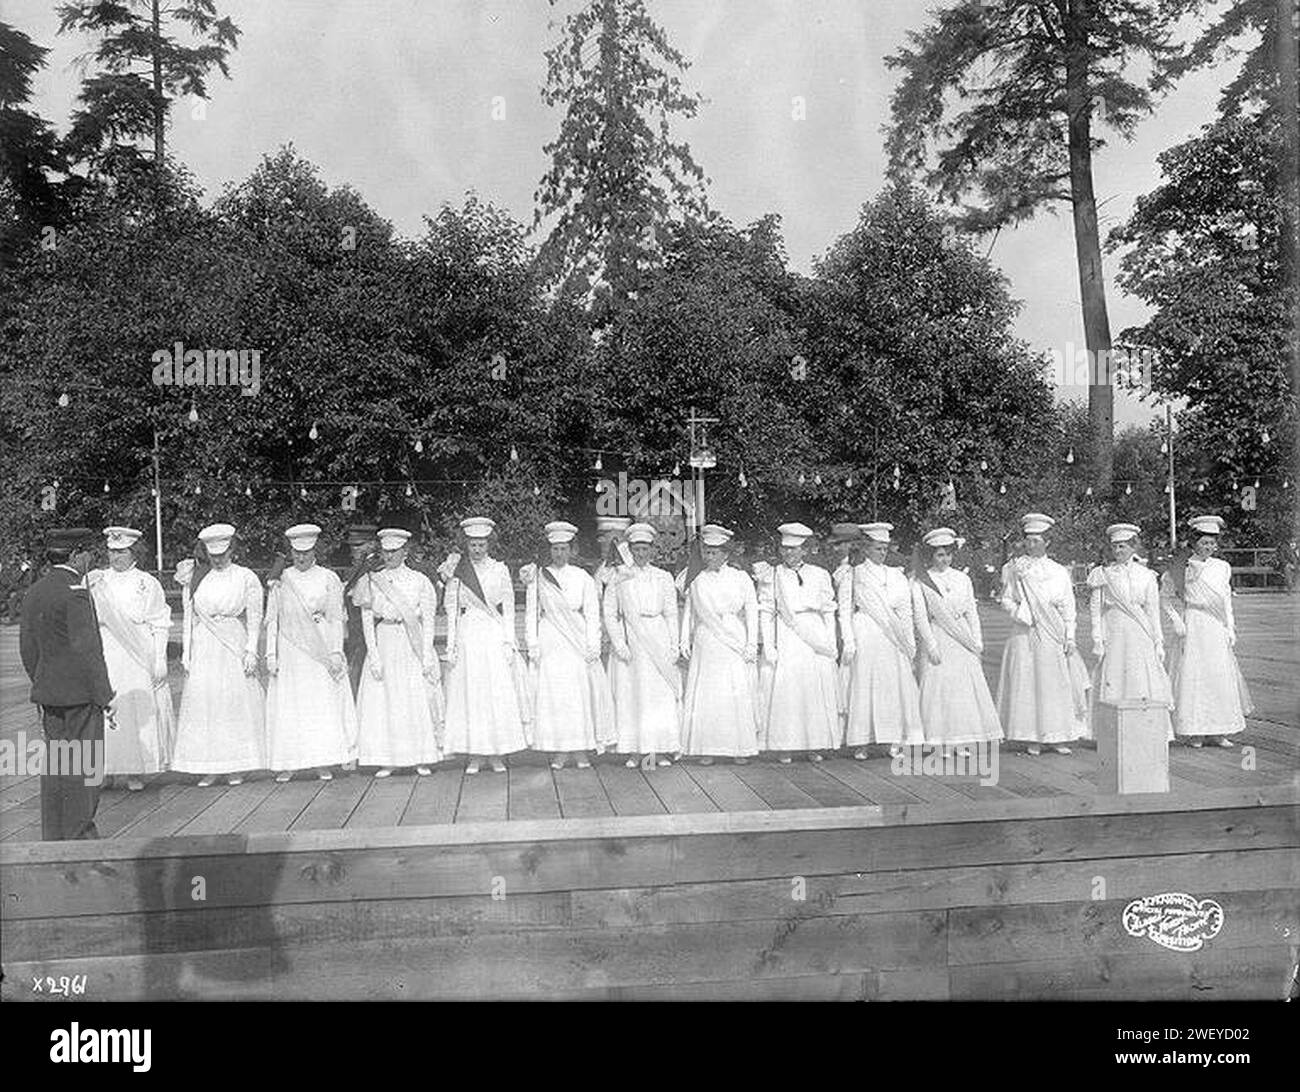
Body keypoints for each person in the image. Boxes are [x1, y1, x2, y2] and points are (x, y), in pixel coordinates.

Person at [19, 528, 115, 839]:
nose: (91, 559)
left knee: (58, 768)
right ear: (76, 554)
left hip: (50, 696)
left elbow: (28, 648)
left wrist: (44, 682)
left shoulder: (35, 591)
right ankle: (80, 836)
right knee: (84, 770)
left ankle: (55, 836)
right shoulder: (76, 593)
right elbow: (87, 650)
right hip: (81, 698)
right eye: (88, 553)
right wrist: (105, 696)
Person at [172, 524, 266, 786]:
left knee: (232, 703)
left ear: (232, 549)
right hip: (205, 646)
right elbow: (189, 616)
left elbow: (255, 616)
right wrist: (186, 652)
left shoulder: (246, 577)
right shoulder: (196, 577)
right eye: (213, 554)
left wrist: (251, 649)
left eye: (222, 553)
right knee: (206, 705)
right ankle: (209, 765)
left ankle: (237, 764)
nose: (218, 558)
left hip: (232, 641)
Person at [264, 523, 358, 782]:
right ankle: (289, 762)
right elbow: (273, 619)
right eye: (296, 553)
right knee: (291, 703)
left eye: (305, 552)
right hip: (291, 648)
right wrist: (270, 653)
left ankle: (322, 761)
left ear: (315, 550)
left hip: (320, 645)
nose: (301, 557)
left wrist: (336, 651)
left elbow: (336, 618)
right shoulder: (281, 580)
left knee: (319, 703)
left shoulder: (328, 578)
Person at [350, 528, 444, 777]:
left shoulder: (419, 581)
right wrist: (374, 655)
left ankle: (420, 756)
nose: (389, 556)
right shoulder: (371, 580)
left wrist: (425, 653)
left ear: (405, 552)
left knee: (413, 699)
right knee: (386, 700)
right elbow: (367, 618)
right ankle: (387, 758)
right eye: (385, 551)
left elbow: (429, 620)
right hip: (385, 639)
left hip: (410, 643)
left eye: (394, 551)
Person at [88, 526, 175, 791]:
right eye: (112, 552)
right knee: (107, 707)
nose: (116, 557)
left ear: (134, 552)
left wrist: (159, 658)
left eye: (122, 552)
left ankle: (136, 770)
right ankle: (107, 770)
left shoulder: (147, 583)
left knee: (135, 707)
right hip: (106, 650)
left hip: (137, 652)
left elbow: (160, 622)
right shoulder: (97, 581)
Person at [440, 516, 530, 774]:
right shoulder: (458, 569)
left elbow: (509, 606)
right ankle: (475, 754)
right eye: (472, 545)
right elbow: (451, 606)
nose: (476, 549)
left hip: (492, 631)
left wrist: (508, 640)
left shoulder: (499, 569)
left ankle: (497, 753)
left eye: (481, 545)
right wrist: (452, 644)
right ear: (466, 545)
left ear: (488, 544)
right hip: (469, 632)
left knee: (494, 691)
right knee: (471, 692)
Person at [523, 520, 615, 769]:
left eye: (564, 549)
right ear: (549, 550)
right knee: (556, 695)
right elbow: (532, 613)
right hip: (551, 639)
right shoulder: (539, 577)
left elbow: (593, 613)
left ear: (572, 550)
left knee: (578, 694)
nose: (559, 554)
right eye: (555, 549)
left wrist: (593, 643)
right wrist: (532, 642)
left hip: (577, 639)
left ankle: (580, 748)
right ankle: (560, 749)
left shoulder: (582, 577)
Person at [996, 513, 1090, 754]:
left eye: (1037, 540)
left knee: (1052, 683)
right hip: (1024, 632)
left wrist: (1070, 637)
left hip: (1051, 632)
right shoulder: (1014, 568)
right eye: (1028, 540)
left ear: (1047, 542)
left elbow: (1068, 607)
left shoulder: (1059, 571)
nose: (1031, 544)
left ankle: (1056, 736)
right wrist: (1019, 613)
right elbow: (1005, 599)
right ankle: (1031, 737)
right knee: (1027, 681)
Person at [1160, 515, 1252, 747]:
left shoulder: (1222, 567)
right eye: (1204, 543)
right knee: (1195, 674)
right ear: (1194, 543)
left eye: (1212, 543)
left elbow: (1225, 600)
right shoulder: (1181, 567)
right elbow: (1166, 598)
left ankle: (1219, 730)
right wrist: (1176, 621)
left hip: (1214, 625)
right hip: (1193, 622)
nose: (1208, 548)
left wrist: (1230, 627)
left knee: (1218, 674)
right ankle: (1195, 731)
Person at [911, 528, 1002, 755]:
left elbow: (971, 611)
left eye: (948, 554)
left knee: (961, 689)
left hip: (961, 638)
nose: (945, 560)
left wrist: (977, 641)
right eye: (940, 555)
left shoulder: (962, 578)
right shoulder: (920, 581)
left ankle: (961, 740)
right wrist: (930, 644)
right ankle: (938, 740)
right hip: (938, 636)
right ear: (930, 555)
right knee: (939, 688)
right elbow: (921, 617)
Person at [754, 522, 841, 762]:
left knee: (813, 688)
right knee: (788, 689)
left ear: (804, 550)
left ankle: (814, 743)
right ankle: (785, 745)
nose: (788, 554)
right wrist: (769, 645)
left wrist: (830, 640)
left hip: (814, 633)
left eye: (794, 549)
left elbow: (828, 610)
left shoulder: (819, 575)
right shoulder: (772, 575)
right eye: (785, 549)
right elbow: (766, 611)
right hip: (787, 632)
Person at [840, 522, 924, 758]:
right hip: (865, 630)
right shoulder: (853, 574)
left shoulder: (895, 575)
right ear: (866, 548)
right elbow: (845, 610)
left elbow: (905, 611)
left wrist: (910, 642)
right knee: (865, 683)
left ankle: (893, 738)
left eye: (885, 548)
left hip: (891, 637)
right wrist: (848, 640)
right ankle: (862, 740)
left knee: (891, 686)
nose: (882, 552)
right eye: (877, 548)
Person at [679, 524, 760, 764]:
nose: (709, 556)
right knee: (709, 692)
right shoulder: (696, 579)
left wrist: (752, 643)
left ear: (725, 554)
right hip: (707, 639)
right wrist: (685, 638)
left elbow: (752, 609)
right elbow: (690, 612)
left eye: (714, 552)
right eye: (706, 552)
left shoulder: (740, 577)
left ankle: (739, 748)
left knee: (734, 690)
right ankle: (708, 748)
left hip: (733, 635)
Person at [1087, 523, 1174, 742]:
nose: (1118, 551)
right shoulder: (1103, 574)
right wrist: (1097, 638)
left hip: (1139, 632)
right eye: (1115, 547)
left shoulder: (1146, 575)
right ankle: (1110, 731)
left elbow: (1153, 610)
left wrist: (1158, 641)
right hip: (1114, 630)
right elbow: (1096, 609)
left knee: (1140, 676)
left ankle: (1144, 728)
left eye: (1123, 547)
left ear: (1133, 548)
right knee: (1115, 675)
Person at [604, 521, 681, 767]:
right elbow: (609, 613)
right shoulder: (619, 576)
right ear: (630, 550)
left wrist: (673, 643)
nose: (640, 554)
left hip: (657, 635)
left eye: (645, 549)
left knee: (658, 696)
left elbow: (671, 612)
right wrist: (618, 642)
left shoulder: (663, 577)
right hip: (632, 640)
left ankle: (657, 750)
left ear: (652, 551)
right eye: (636, 549)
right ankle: (635, 751)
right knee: (634, 695)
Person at [341, 524, 379, 696]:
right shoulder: (359, 566)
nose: (353, 550)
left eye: (358, 545)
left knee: (364, 669)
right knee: (356, 666)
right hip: (356, 627)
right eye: (351, 546)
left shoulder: (376, 567)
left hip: (371, 628)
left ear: (372, 544)